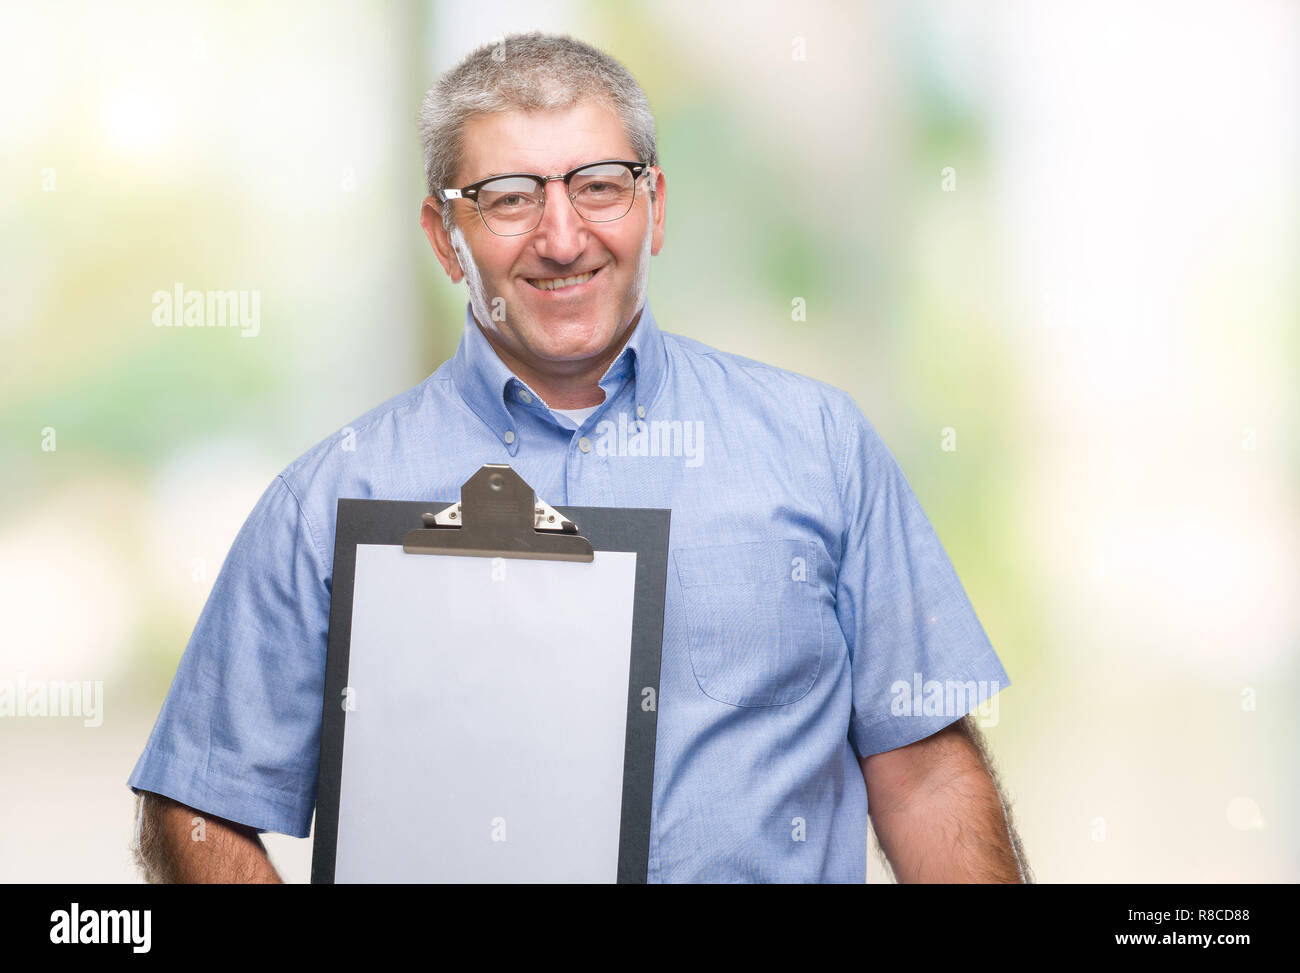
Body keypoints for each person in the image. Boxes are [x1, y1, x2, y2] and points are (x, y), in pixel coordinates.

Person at [129, 30, 1029, 884]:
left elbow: (926, 775)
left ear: (655, 206)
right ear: (445, 237)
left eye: (600, 186)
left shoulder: (821, 447)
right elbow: (198, 804)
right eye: (511, 198)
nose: (563, 239)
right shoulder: (327, 500)